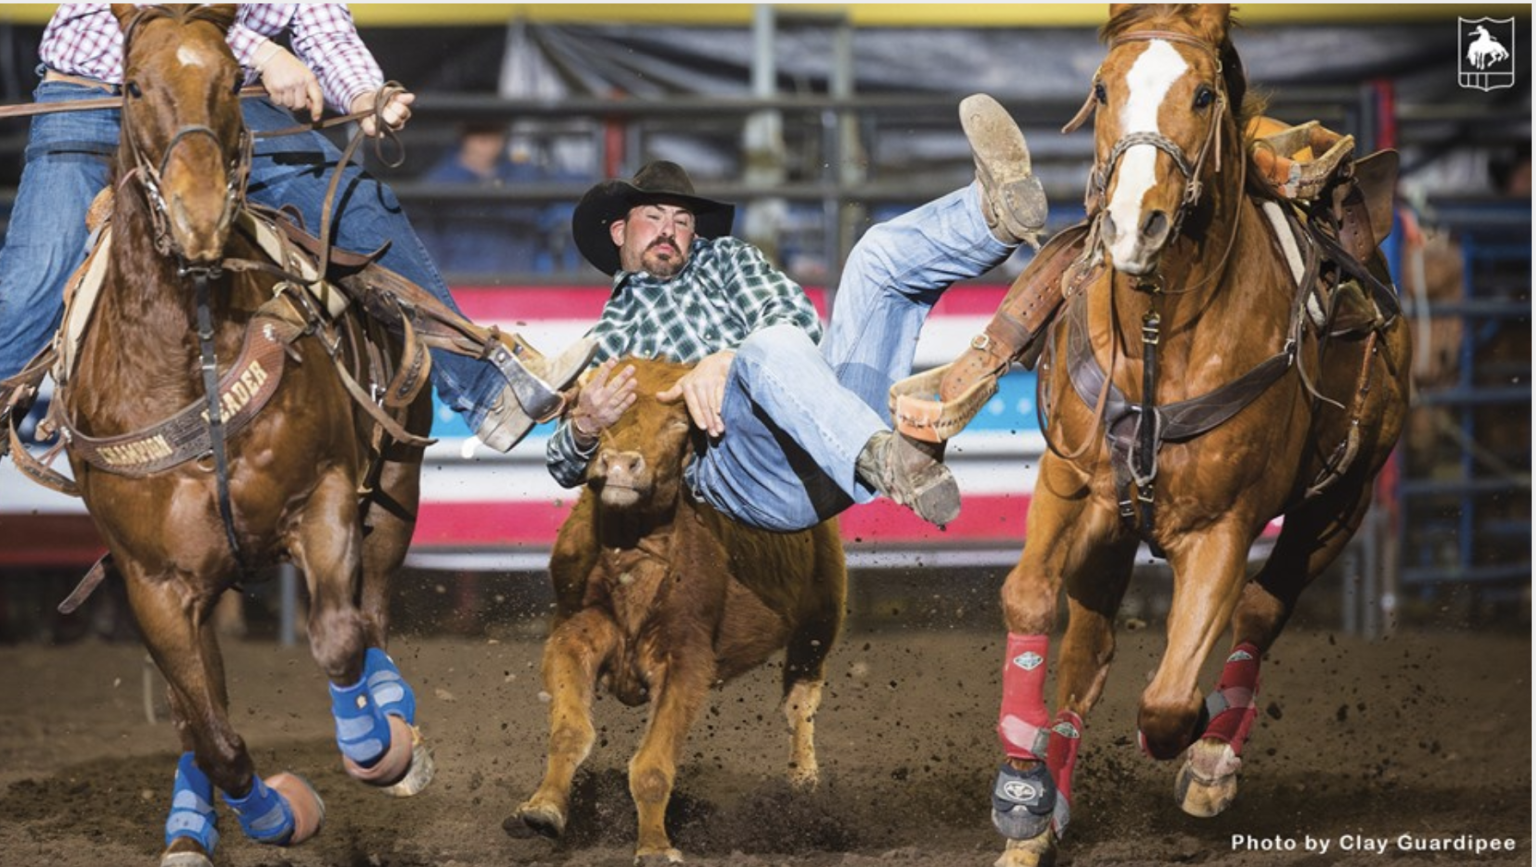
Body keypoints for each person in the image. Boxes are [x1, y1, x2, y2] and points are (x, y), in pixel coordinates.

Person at [0, 4, 592, 451]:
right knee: (38, 275)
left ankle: (485, 390)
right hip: (96, 94)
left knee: (358, 208)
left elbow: (321, 24)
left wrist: (364, 92)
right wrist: (262, 52)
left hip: (220, 96)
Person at [547, 94, 1047, 531]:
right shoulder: (606, 341)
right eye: (653, 217)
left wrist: (725, 361)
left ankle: (992, 219)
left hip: (832, 428)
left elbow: (797, 320)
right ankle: (888, 459)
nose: (668, 229)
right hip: (743, 471)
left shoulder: (725, 258)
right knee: (766, 346)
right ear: (620, 233)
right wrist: (585, 428)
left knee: (873, 255)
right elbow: (562, 464)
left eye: (681, 220)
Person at [420, 121, 577, 276]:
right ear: (465, 138)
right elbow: (426, 240)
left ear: (502, 138)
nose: (487, 145)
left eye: (493, 136)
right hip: (462, 282)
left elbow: (567, 193)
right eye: (480, 137)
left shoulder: (525, 174)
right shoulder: (439, 182)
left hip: (519, 281)